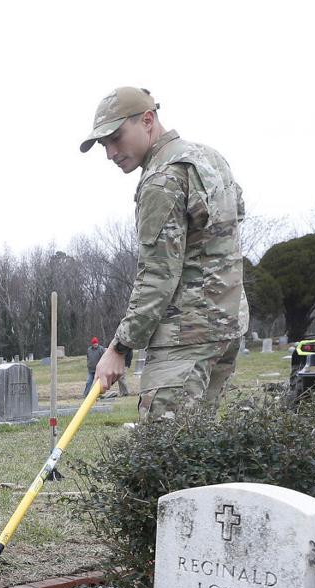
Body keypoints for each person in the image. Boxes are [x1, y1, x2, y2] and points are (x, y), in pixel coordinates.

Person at [79, 87, 247, 420]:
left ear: (148, 119)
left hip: (184, 336)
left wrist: (118, 348)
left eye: (116, 138)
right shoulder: (209, 158)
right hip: (227, 325)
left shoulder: (161, 179)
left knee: (166, 453)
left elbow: (157, 277)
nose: (111, 153)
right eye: (104, 145)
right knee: (200, 447)